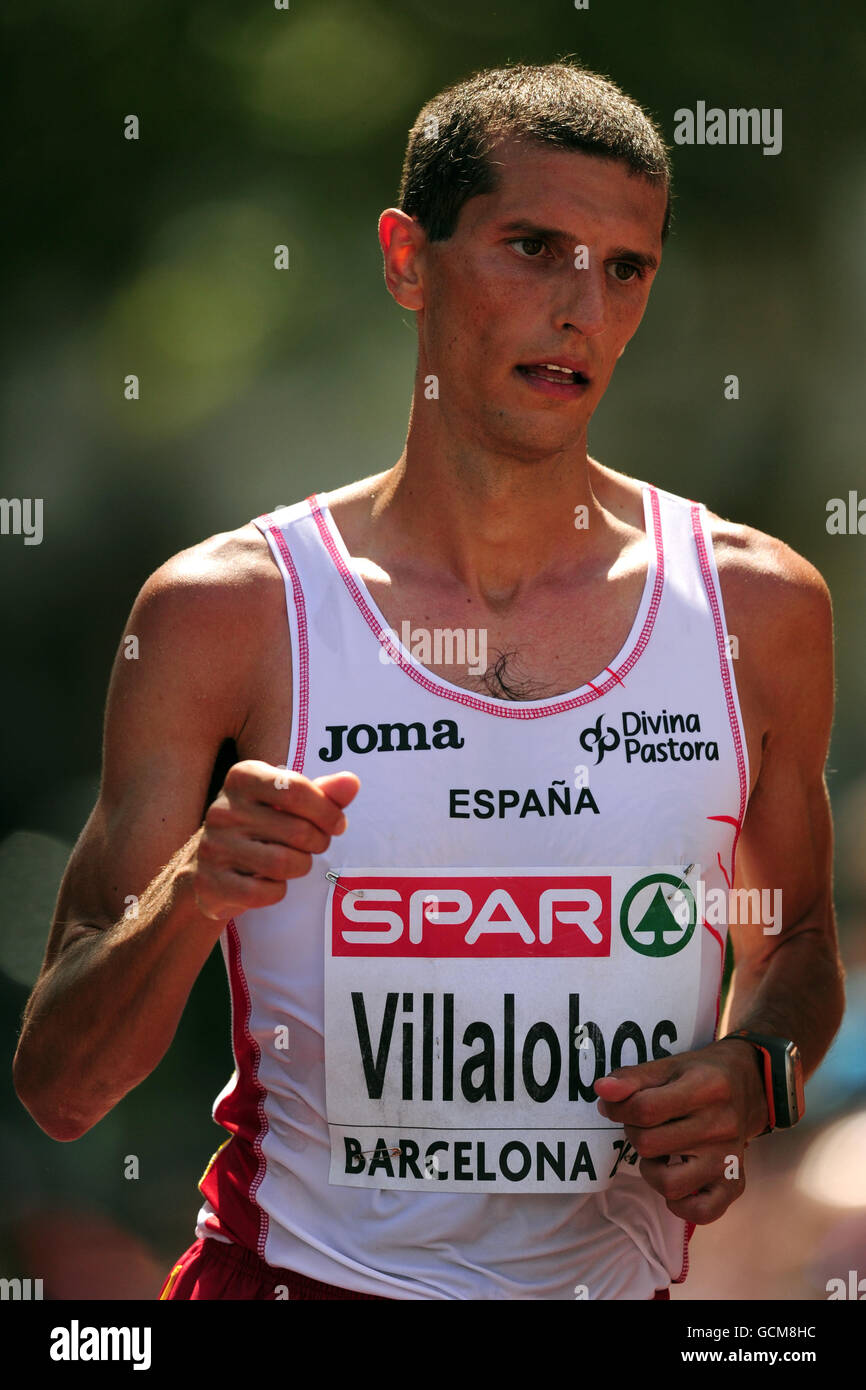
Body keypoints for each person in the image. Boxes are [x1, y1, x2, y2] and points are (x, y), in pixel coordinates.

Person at [13, 61, 844, 1300]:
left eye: (624, 269)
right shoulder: (225, 611)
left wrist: (755, 1072)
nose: (580, 308)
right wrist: (194, 890)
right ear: (406, 260)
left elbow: (796, 940)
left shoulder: (756, 607)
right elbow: (62, 1086)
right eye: (531, 246)